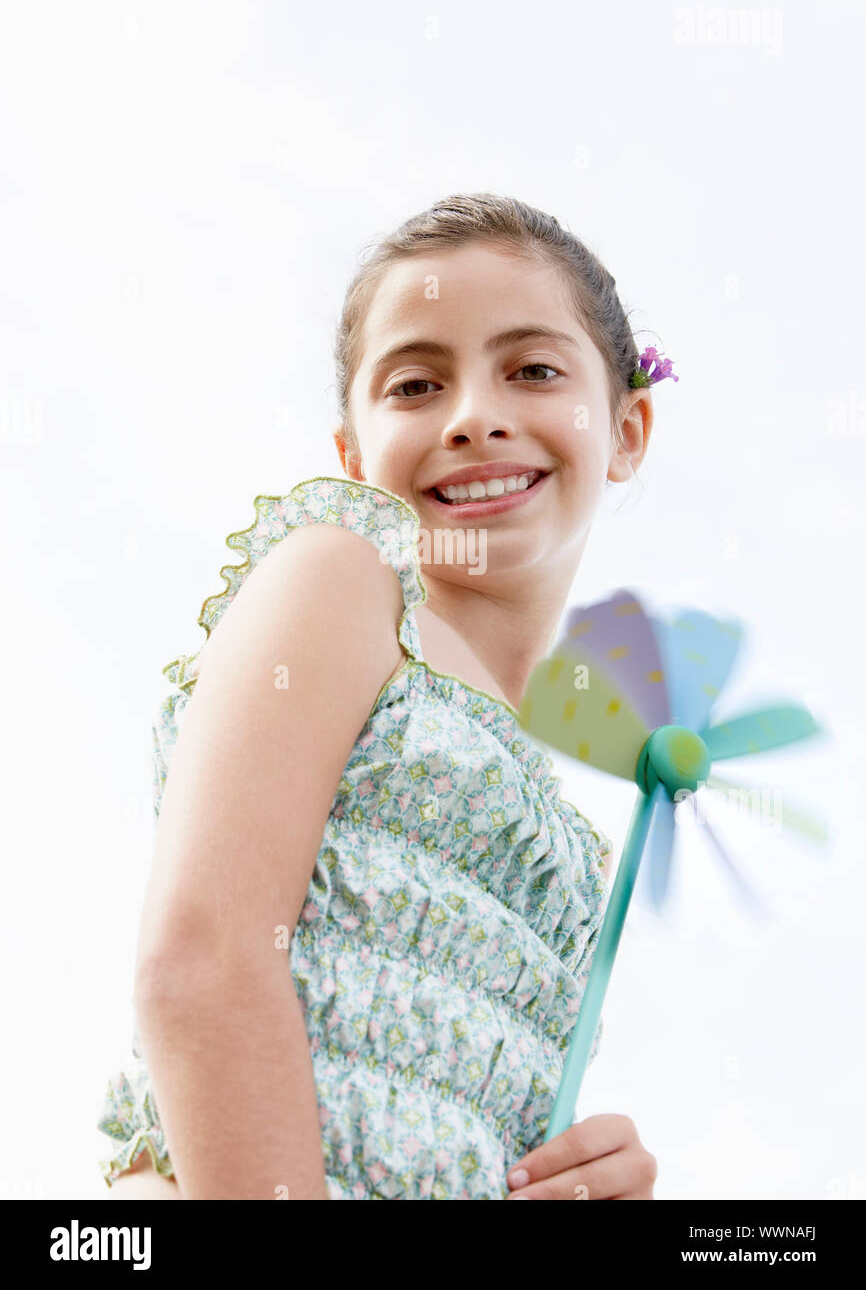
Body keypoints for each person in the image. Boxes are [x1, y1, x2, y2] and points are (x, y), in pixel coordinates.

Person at [99, 191, 669, 1200]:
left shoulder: (557, 841)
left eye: (531, 370)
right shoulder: (343, 579)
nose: (474, 416)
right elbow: (202, 961)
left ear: (626, 427)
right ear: (354, 457)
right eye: (414, 384)